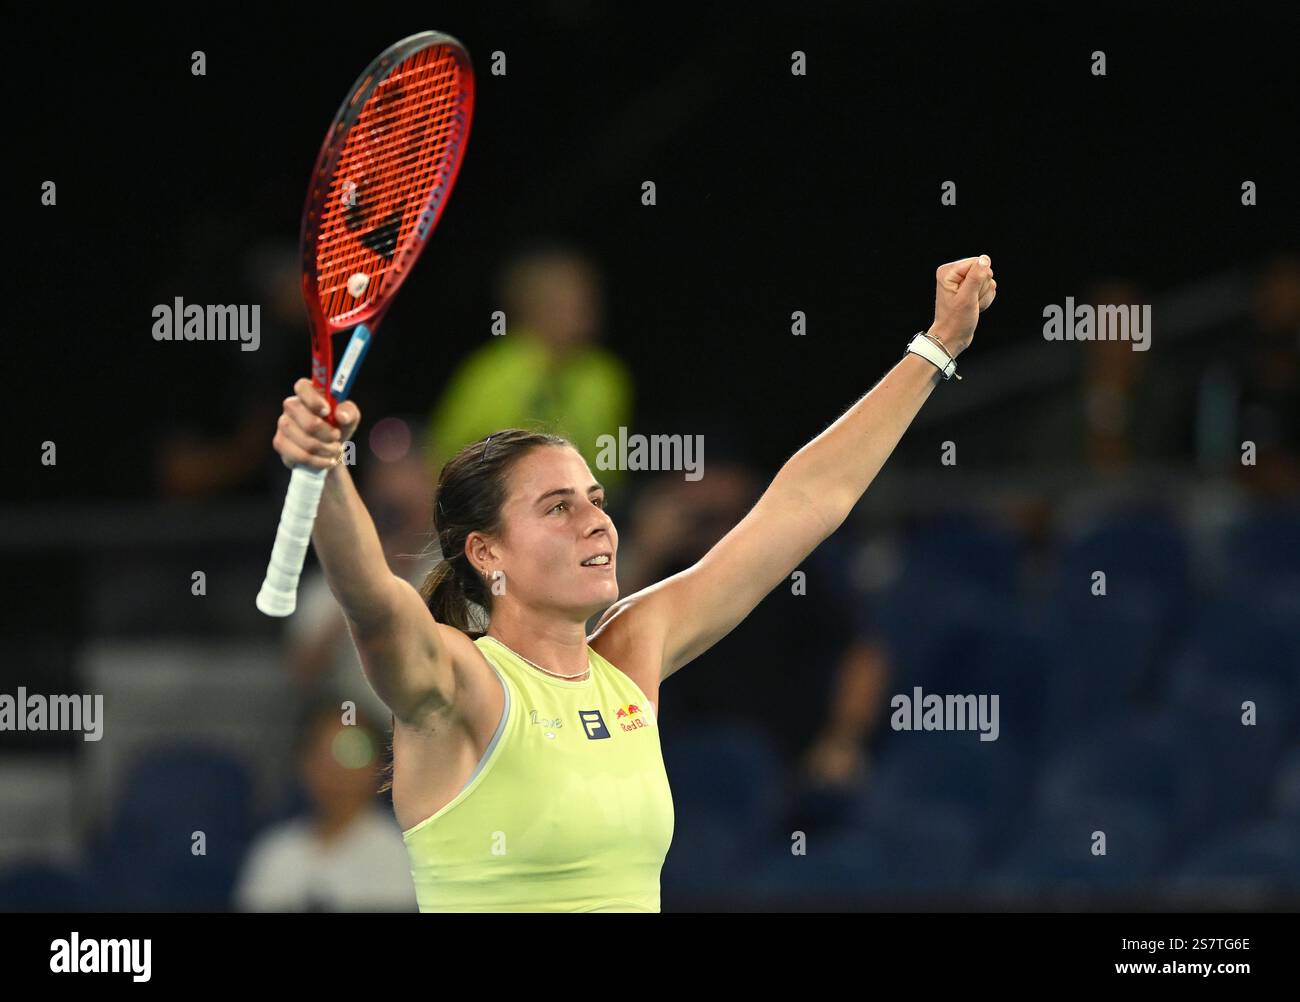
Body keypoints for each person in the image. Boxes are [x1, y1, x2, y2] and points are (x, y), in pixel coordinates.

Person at [269, 254, 997, 911]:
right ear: (486, 552)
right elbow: (371, 599)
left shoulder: (630, 656)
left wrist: (936, 347)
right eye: (558, 508)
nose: (596, 523)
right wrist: (326, 468)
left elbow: (806, 503)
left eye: (596, 500)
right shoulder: (459, 684)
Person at [233, 702, 417, 912]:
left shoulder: (400, 856)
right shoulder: (273, 851)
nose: (335, 770)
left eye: (351, 754)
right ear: (304, 764)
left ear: (378, 765)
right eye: (323, 755)